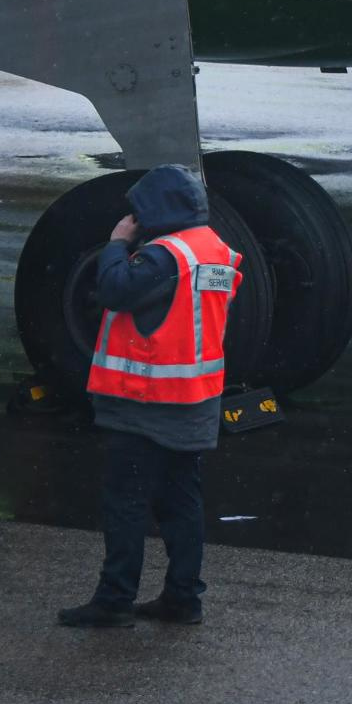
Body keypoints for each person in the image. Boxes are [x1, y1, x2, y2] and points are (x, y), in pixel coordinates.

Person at [57, 162, 242, 629]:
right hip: (194, 401)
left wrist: (119, 243)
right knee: (181, 504)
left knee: (126, 503)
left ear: (156, 211)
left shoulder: (164, 257)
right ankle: (183, 598)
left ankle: (114, 600)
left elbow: (116, 291)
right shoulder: (216, 251)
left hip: (147, 401)